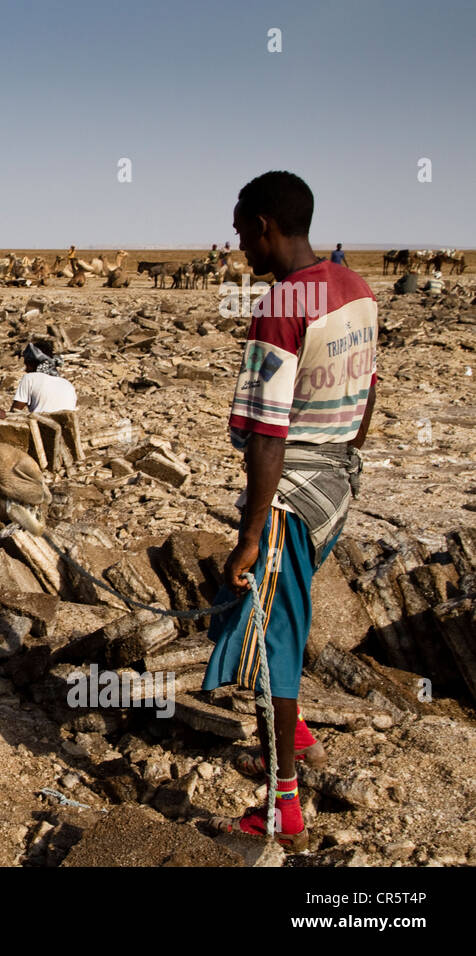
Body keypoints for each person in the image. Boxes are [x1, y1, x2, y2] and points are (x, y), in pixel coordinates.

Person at [204, 171, 377, 852]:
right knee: (273, 612)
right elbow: (368, 386)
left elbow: (270, 430)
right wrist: (342, 452)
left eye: (244, 230)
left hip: (290, 491)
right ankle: (296, 733)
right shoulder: (355, 287)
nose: (240, 244)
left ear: (268, 226)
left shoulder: (281, 304)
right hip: (335, 481)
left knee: (273, 639)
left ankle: (282, 810)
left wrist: (254, 530)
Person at [0, 344, 77, 419]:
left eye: (27, 364)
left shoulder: (30, 378)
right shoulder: (68, 384)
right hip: (65, 428)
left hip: (42, 428)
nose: (26, 369)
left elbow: (14, 414)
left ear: (34, 363)